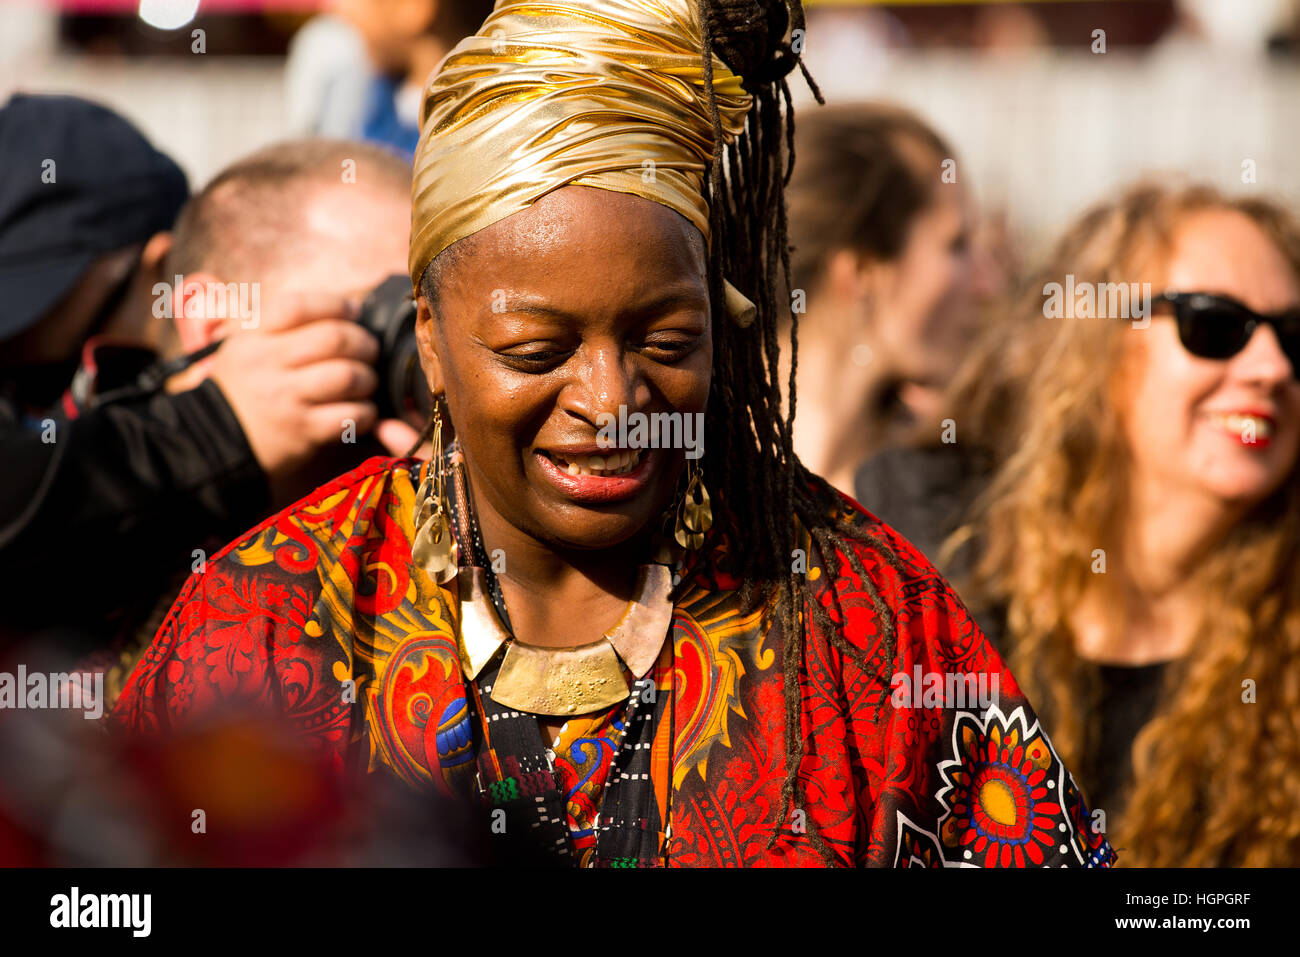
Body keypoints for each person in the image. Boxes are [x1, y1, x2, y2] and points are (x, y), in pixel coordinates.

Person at [111, 0, 1115, 868]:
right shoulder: (263, 621)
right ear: (430, 335)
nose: (613, 398)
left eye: (665, 339)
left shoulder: (864, 615)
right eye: (537, 349)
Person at [860, 180, 1300, 865]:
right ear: (1099, 349)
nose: (1272, 368)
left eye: (1294, 337)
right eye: (1215, 326)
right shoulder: (940, 565)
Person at [781, 101, 1002, 494]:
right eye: (957, 245)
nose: (989, 284)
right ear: (862, 272)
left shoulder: (951, 492)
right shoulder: (690, 477)